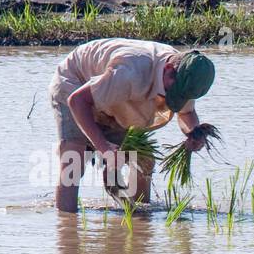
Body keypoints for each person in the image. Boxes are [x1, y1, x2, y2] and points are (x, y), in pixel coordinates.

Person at [49, 38, 216, 213]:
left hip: (116, 96)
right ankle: (66, 224)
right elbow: (77, 101)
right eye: (173, 93)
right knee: (74, 161)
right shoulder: (129, 72)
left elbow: (186, 113)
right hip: (75, 83)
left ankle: (139, 216)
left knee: (143, 159)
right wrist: (104, 147)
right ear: (168, 70)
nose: (176, 98)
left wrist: (193, 133)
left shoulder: (187, 79)